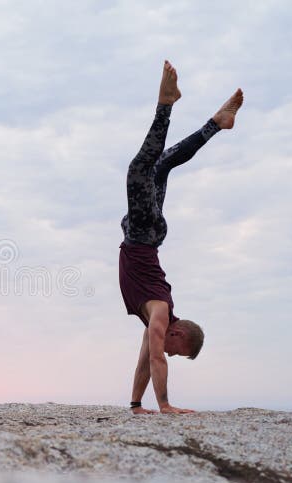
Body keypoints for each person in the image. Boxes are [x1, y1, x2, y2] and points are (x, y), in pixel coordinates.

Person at [119, 60, 243, 415]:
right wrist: (165, 405)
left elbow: (145, 359)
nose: (170, 353)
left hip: (145, 233)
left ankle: (217, 123)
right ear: (179, 335)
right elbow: (157, 358)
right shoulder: (160, 314)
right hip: (143, 233)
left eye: (177, 355)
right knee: (141, 168)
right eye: (178, 350)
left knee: (161, 164)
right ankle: (166, 104)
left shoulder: (156, 316)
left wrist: (135, 405)